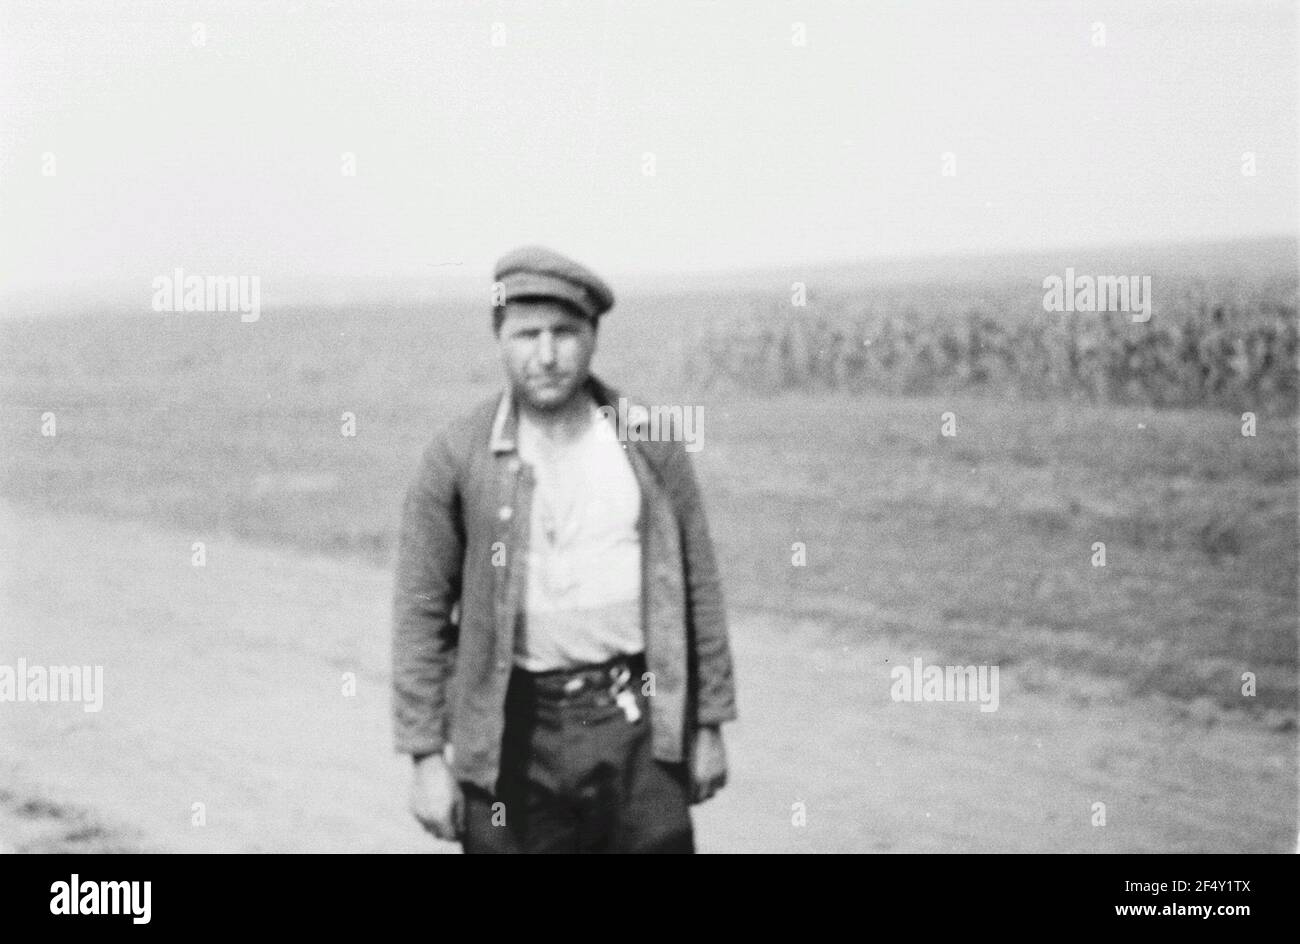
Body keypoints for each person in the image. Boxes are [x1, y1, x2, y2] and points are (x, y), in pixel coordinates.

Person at [391, 245, 738, 853]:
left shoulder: (648, 442)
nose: (546, 355)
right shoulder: (456, 456)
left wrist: (709, 723)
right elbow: (421, 612)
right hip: (512, 729)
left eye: (565, 333)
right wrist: (425, 757)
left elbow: (699, 587)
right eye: (527, 335)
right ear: (500, 337)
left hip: (633, 722)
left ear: (594, 336)